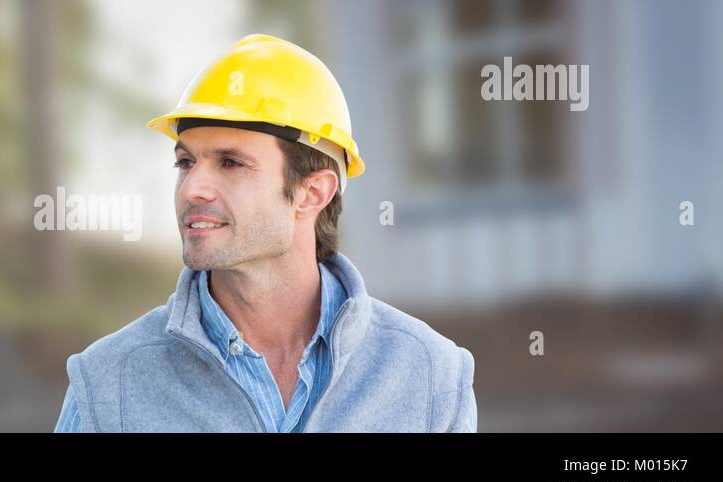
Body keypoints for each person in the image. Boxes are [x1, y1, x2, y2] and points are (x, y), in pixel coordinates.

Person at [54, 35, 476, 432]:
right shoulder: (108, 387)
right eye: (186, 162)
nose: (192, 188)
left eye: (230, 163)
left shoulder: (430, 376)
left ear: (312, 193)